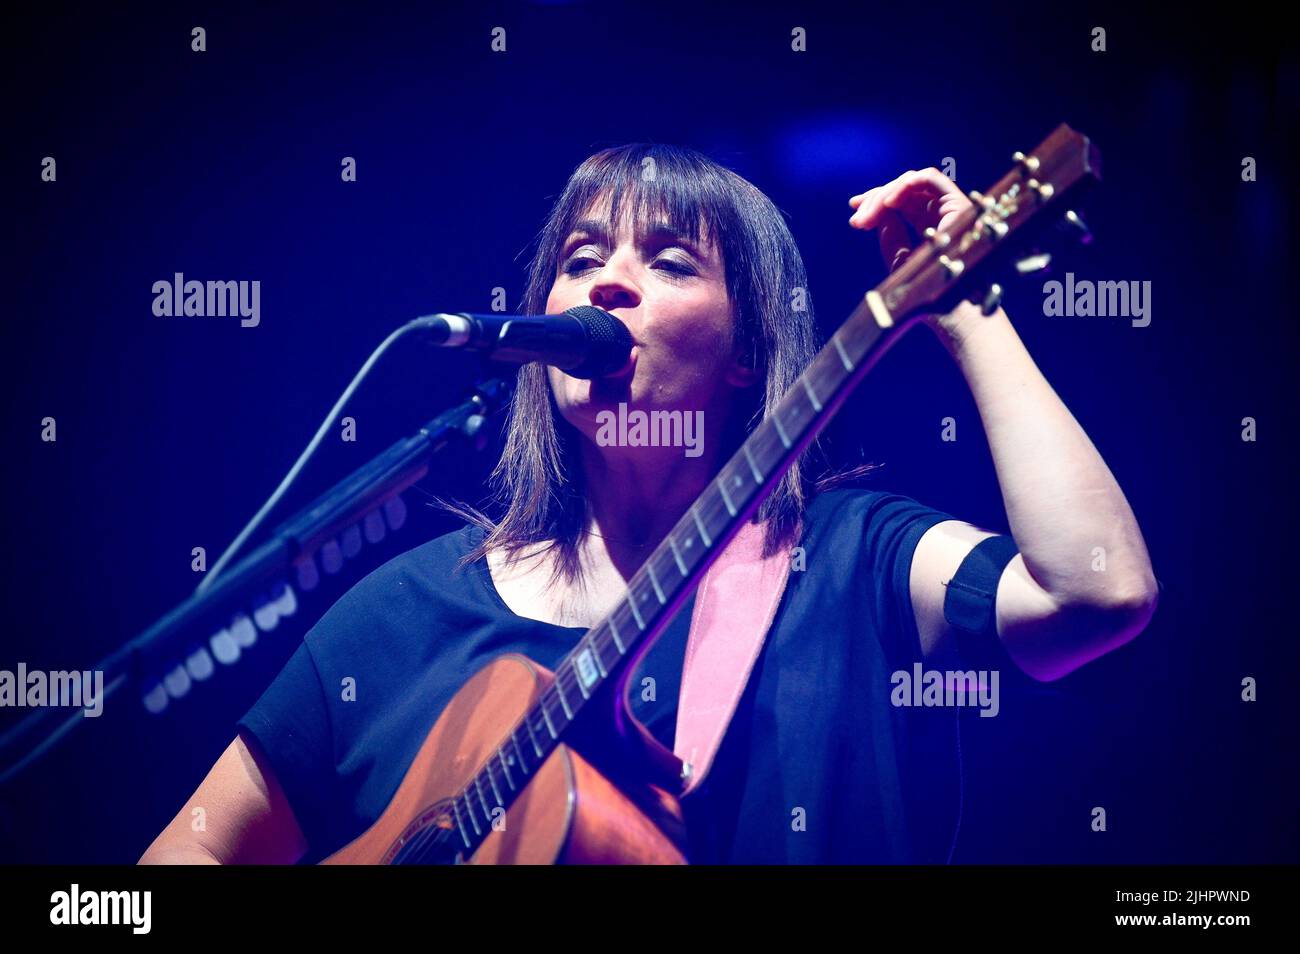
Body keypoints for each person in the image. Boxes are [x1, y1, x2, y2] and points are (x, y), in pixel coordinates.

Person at [139, 144, 1158, 865]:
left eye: (668, 262)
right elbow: (191, 846)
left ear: (748, 352)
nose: (609, 286)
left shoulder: (855, 560)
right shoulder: (400, 613)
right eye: (581, 261)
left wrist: (964, 311)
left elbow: (1096, 592)